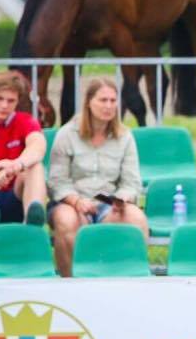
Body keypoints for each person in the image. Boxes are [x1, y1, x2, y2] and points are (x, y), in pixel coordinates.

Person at [47, 78, 147, 277]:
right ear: (88, 102)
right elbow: (57, 181)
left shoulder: (124, 136)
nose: (108, 106)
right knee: (67, 220)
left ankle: (131, 279)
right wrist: (76, 201)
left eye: (113, 100)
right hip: (71, 201)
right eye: (103, 100)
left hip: (107, 202)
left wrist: (123, 198)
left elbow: (131, 181)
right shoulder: (67, 134)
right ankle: (71, 280)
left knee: (137, 218)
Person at [0, 70, 47, 229]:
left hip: (15, 192)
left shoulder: (25, 121)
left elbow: (38, 145)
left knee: (34, 166)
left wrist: (16, 165)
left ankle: (32, 220)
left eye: (11, 101)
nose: (4, 105)